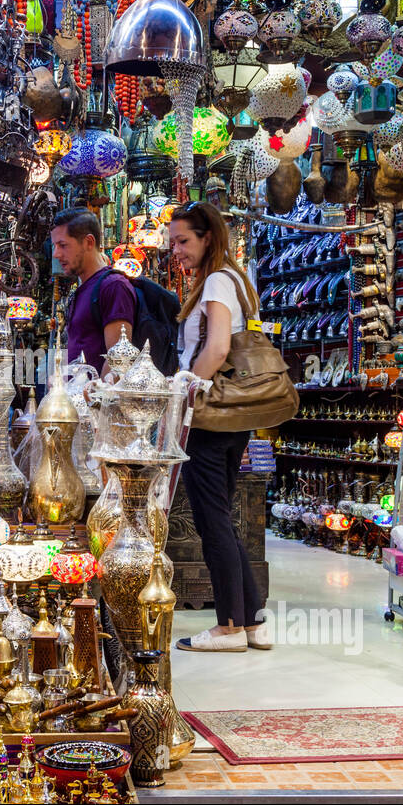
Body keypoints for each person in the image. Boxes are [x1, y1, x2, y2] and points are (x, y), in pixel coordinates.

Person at [169, 201, 271, 653]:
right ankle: (250, 620)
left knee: (213, 521)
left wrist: (184, 390)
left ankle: (228, 626)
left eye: (183, 241)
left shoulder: (215, 281)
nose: (176, 250)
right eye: (172, 242)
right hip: (234, 417)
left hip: (209, 416)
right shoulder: (237, 279)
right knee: (222, 520)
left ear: (208, 235)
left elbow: (216, 348)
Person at [52, 208, 136, 376]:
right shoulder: (85, 288)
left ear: (88, 242)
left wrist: (93, 399)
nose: (56, 254)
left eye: (63, 245)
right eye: (55, 246)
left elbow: (118, 362)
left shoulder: (113, 286)